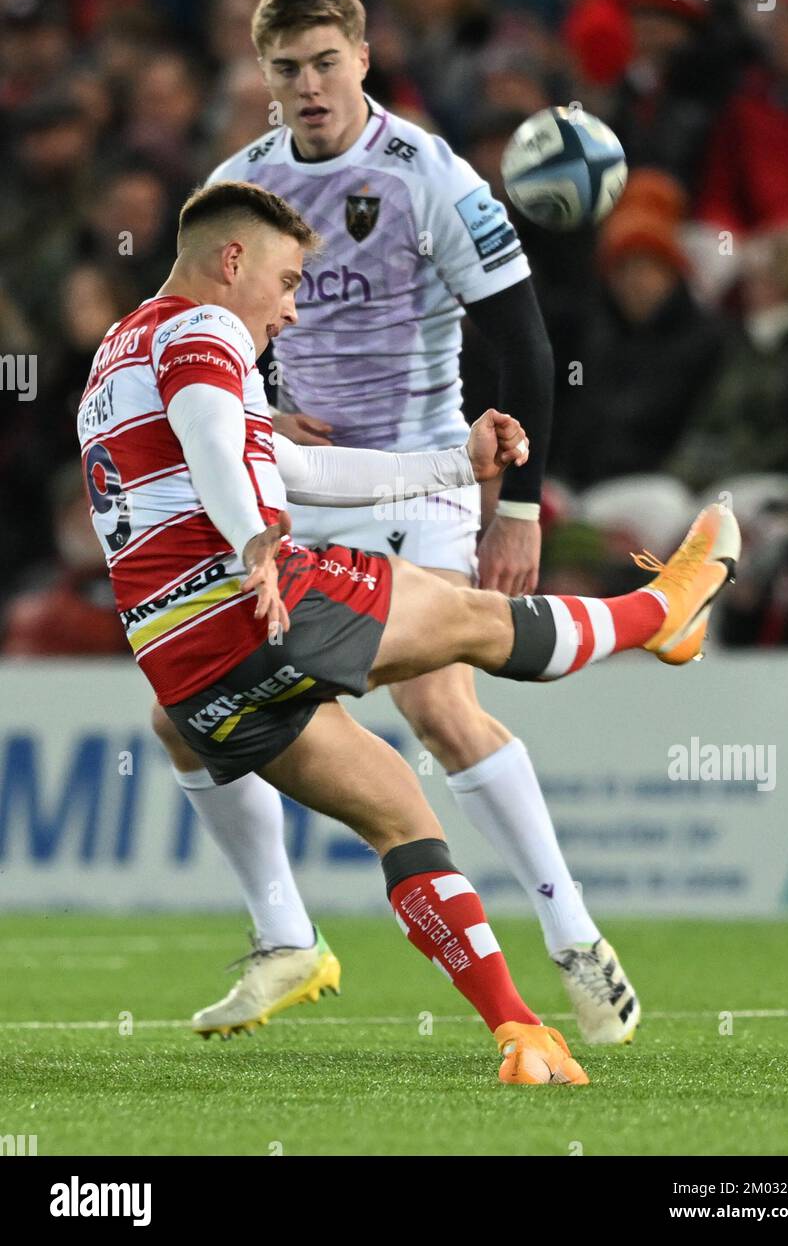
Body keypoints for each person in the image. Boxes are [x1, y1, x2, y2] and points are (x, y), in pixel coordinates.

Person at [78, 180, 739, 1081]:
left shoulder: (117, 354)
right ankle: (658, 615)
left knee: (404, 823)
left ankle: (519, 1033)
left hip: (186, 670)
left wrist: (448, 466)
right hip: (256, 598)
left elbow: (295, 464)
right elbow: (209, 439)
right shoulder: (204, 330)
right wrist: (257, 545)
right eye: (287, 280)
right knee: (468, 616)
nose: (291, 308)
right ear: (231, 262)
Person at [156, 0, 646, 1047]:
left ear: (363, 60)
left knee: (437, 709)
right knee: (193, 707)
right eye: (286, 68)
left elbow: (521, 339)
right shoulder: (240, 187)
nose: (308, 85)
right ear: (264, 75)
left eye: (326, 62)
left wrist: (513, 506)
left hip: (419, 476)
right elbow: (189, 342)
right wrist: (255, 409)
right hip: (290, 492)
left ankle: (569, 934)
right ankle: (282, 935)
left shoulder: (425, 171)